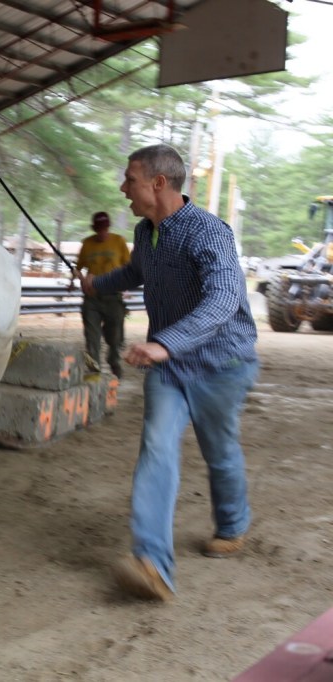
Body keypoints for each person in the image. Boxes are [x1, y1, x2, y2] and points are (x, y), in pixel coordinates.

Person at [77, 143, 258, 602]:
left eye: (130, 179)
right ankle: (153, 563)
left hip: (221, 363)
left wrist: (164, 342)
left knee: (219, 452)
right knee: (156, 450)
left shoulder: (209, 233)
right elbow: (136, 271)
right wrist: (99, 282)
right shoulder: (146, 231)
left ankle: (233, 523)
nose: (123, 188)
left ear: (158, 183)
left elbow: (221, 301)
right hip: (170, 366)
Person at [72, 211, 130, 378]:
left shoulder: (119, 242)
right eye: (99, 229)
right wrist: (76, 279)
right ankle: (94, 369)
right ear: (94, 228)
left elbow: (129, 268)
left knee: (115, 337)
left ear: (108, 227)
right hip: (92, 298)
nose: (102, 233)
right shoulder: (87, 244)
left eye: (104, 229)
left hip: (113, 297)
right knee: (92, 336)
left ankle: (113, 360)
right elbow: (79, 267)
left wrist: (124, 285)